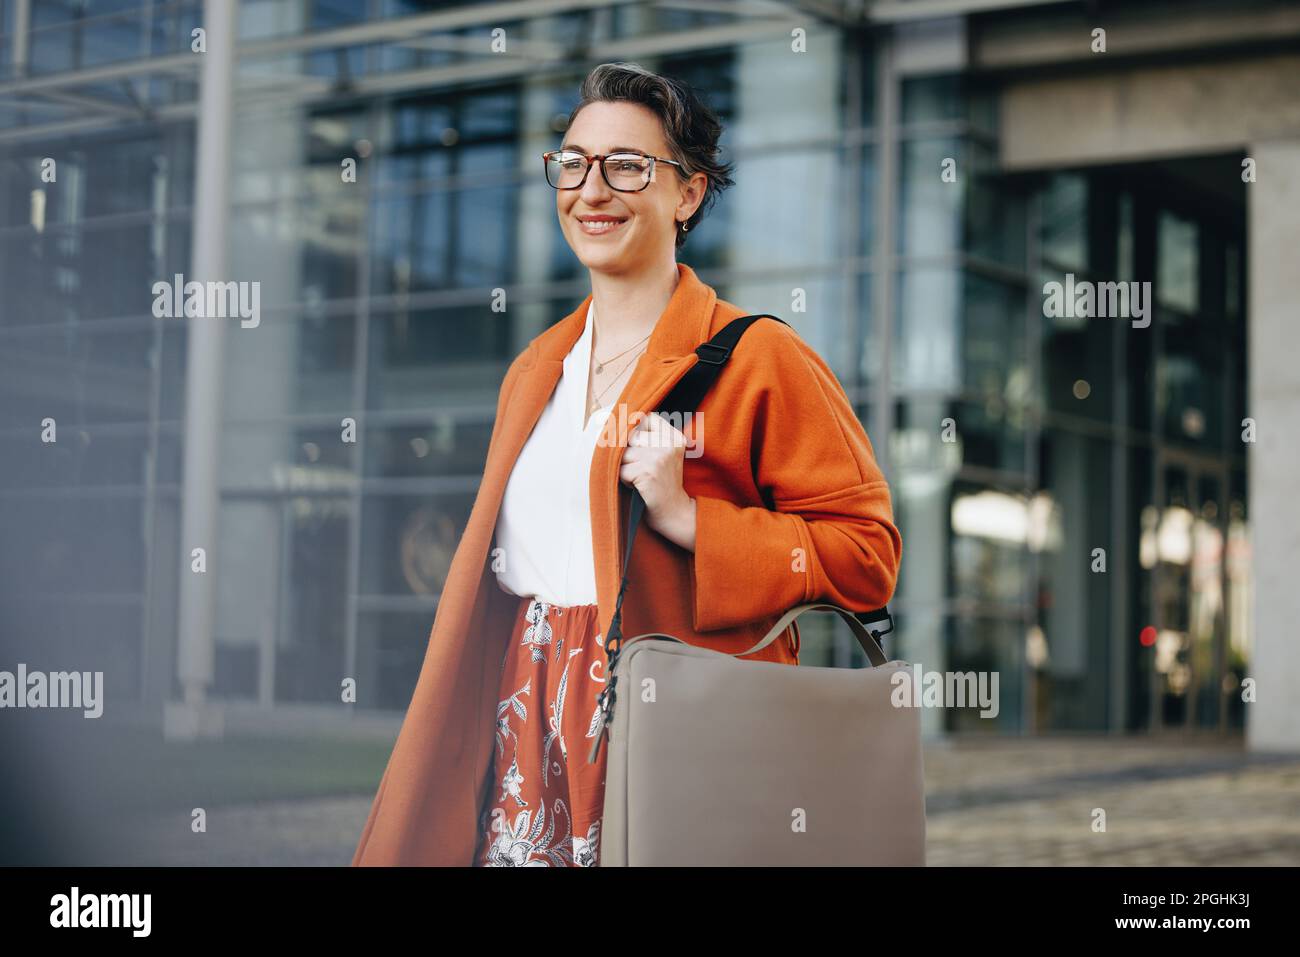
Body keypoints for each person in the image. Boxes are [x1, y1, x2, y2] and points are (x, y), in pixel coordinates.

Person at [351, 61, 901, 868]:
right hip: (527, 727)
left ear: (689, 194)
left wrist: (692, 520)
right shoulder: (537, 369)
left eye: (627, 165)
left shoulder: (760, 358)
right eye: (573, 163)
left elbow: (868, 555)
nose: (592, 189)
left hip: (676, 738)